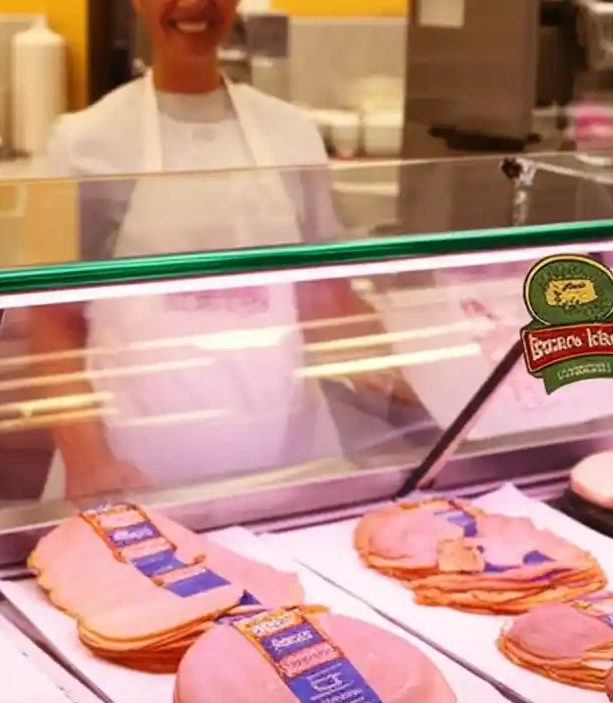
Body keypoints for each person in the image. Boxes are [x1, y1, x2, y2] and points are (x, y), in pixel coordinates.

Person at [28, 0, 375, 501]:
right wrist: (89, 460)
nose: (192, 3)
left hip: (286, 472)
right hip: (129, 478)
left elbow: (326, 301)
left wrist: (424, 398)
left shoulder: (292, 135)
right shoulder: (80, 144)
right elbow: (50, 324)